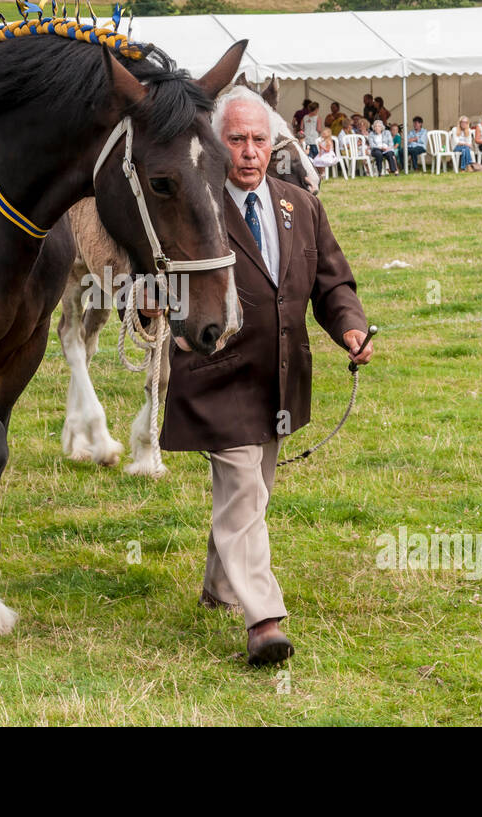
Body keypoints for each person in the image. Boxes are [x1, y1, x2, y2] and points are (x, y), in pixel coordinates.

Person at [161, 90, 374, 667]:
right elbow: (155, 280)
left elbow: (332, 282)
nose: (250, 152)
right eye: (237, 140)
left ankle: (219, 587)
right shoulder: (194, 207)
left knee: (253, 492)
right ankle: (263, 618)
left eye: (259, 140)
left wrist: (350, 329)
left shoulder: (299, 205)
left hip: (279, 379)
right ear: (215, 144)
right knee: (244, 491)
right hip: (216, 374)